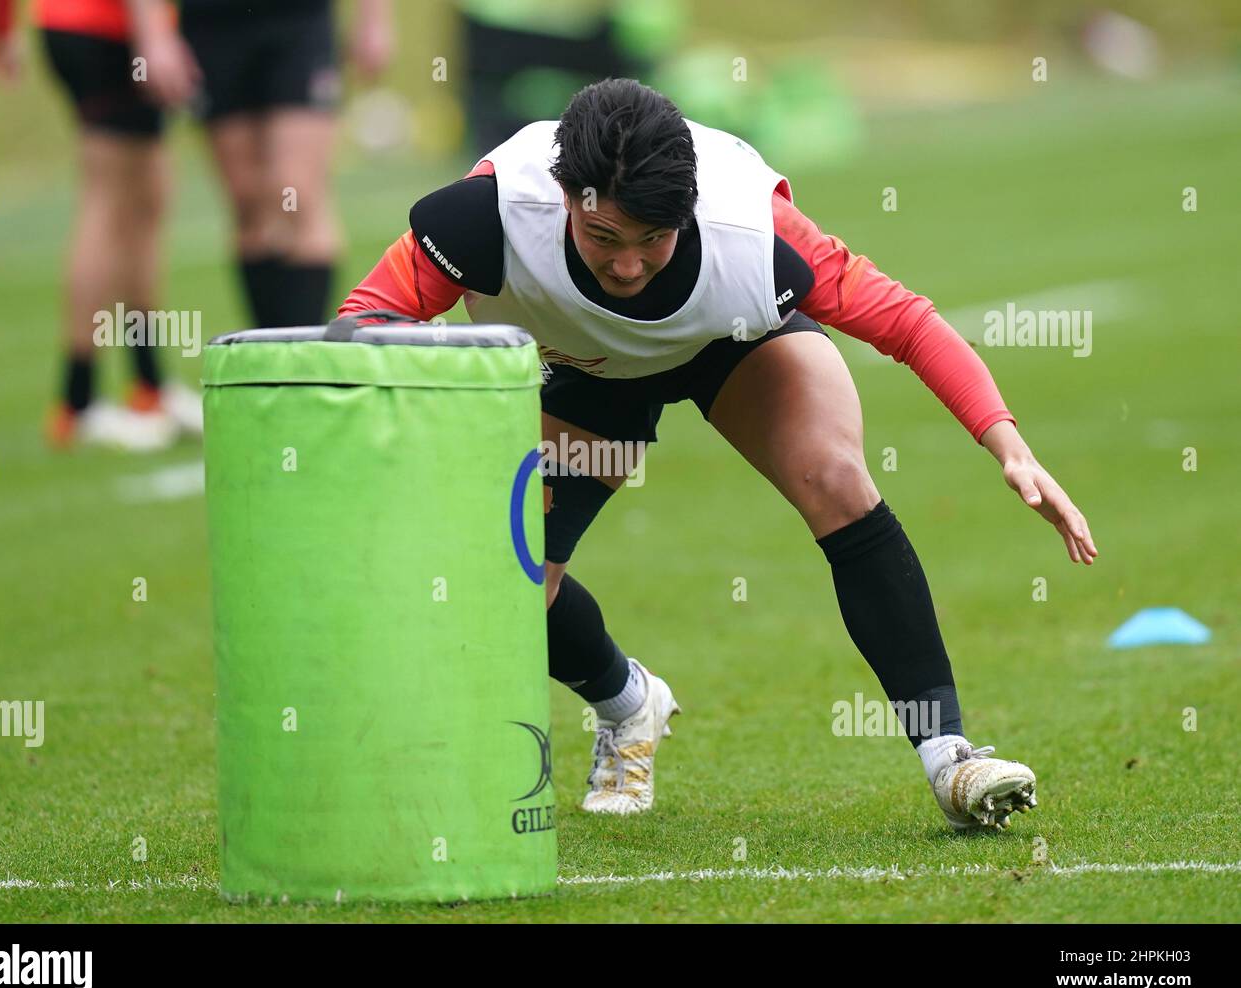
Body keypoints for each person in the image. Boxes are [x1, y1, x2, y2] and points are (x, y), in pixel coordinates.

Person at [338, 79, 1099, 831]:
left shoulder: (754, 234)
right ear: (567, 197)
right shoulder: (489, 212)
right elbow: (364, 321)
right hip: (580, 373)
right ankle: (627, 702)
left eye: (653, 241)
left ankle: (950, 756)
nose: (628, 267)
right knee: (509, 585)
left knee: (836, 478)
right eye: (604, 238)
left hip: (729, 345)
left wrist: (1008, 444)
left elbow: (903, 321)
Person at [0, 0, 204, 451]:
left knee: (145, 198)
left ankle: (149, 386)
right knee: (108, 200)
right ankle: (77, 402)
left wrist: (3, 25)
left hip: (83, 26)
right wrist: (153, 37)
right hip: (110, 29)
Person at [179, 0, 393, 329]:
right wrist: (153, 37)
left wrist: (373, 20)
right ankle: (268, 356)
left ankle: (305, 362)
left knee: (297, 194)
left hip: (298, 21)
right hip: (212, 24)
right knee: (247, 203)